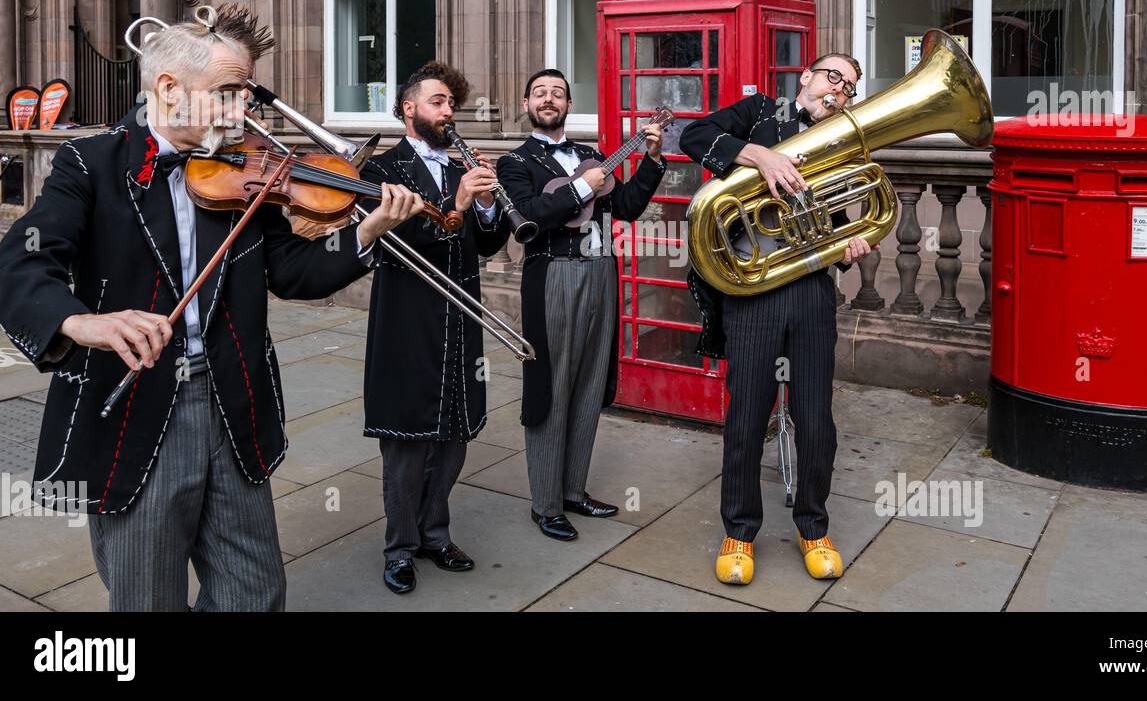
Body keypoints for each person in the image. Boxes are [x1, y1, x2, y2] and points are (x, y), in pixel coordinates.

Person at [0, 4, 425, 610]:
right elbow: (21, 264)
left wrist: (367, 230)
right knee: (147, 597)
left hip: (231, 402)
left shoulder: (249, 170)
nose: (241, 112)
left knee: (256, 591)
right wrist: (80, 321)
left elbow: (293, 274)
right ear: (169, 88)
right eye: (227, 93)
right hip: (136, 408)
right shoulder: (91, 164)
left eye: (245, 95)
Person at [678, 53, 873, 585]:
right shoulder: (761, 110)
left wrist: (849, 244)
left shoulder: (843, 136)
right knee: (746, 419)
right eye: (833, 76)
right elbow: (692, 136)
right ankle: (739, 532)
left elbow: (841, 215)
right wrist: (758, 156)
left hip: (810, 287)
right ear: (806, 75)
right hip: (753, 289)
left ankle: (813, 527)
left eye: (850, 86)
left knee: (817, 420)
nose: (839, 90)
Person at [360, 61, 510, 594]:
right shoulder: (382, 171)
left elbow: (487, 245)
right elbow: (397, 243)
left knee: (453, 434)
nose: (449, 113)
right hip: (409, 319)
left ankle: (435, 533)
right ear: (409, 107)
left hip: (461, 319)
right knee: (406, 441)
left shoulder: (456, 167)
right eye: (438, 102)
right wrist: (461, 204)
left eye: (452, 104)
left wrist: (488, 206)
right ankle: (399, 546)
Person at [495, 69, 664, 541]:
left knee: (591, 380)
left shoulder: (591, 156)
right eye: (540, 93)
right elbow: (530, 216)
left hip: (601, 271)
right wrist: (582, 188)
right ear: (527, 103)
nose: (549, 99)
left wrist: (651, 160)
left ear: (569, 105)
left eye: (558, 93)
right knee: (554, 382)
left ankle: (573, 489)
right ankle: (546, 503)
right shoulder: (515, 162)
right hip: (553, 275)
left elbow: (627, 207)